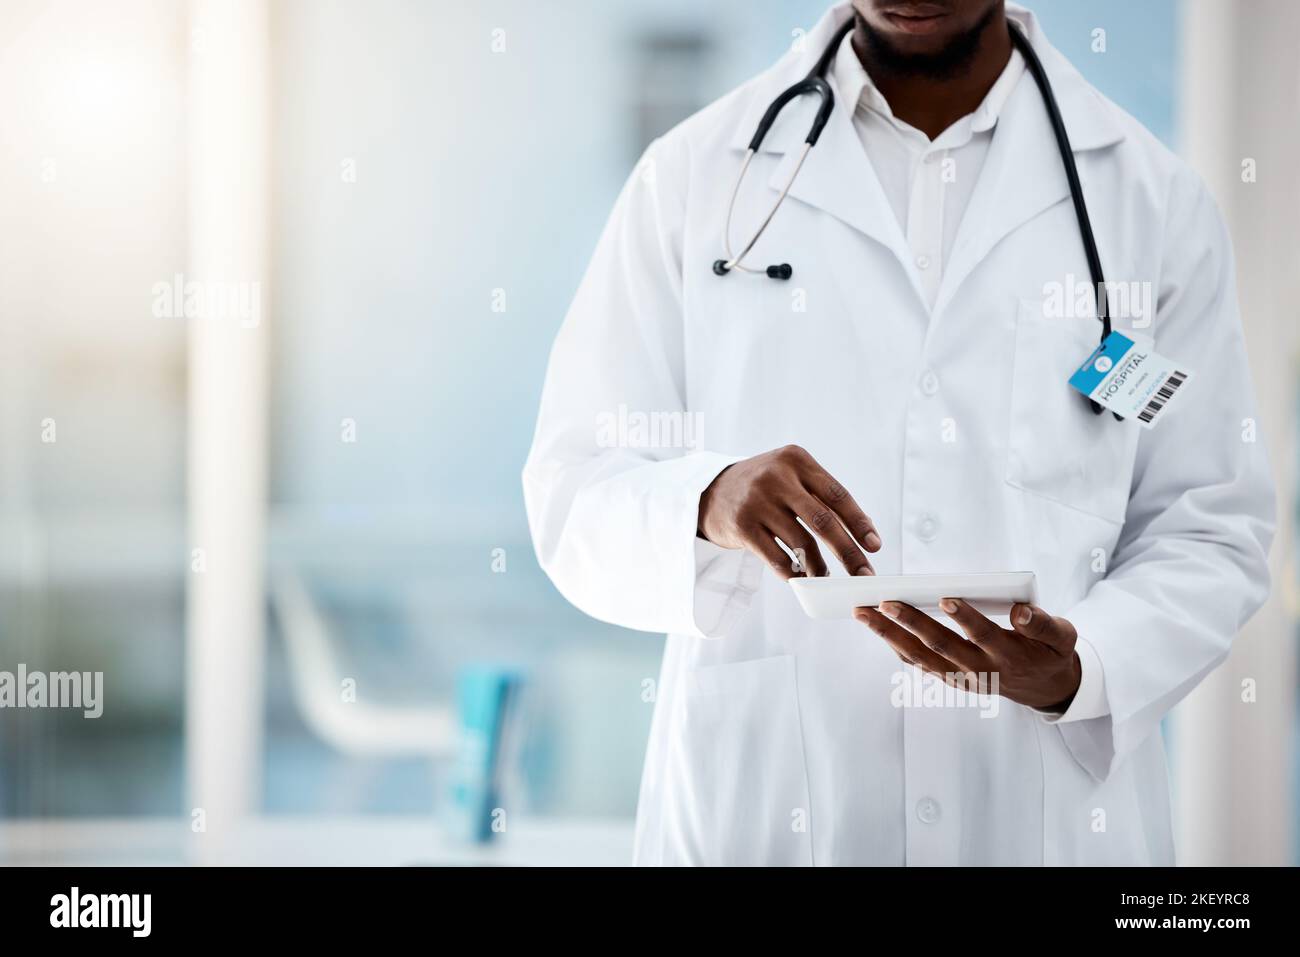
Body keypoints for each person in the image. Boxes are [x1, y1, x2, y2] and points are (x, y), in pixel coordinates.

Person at [522, 1, 1275, 865]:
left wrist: (1087, 667)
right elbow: (572, 489)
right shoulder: (691, 178)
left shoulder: (1152, 200)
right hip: (769, 811)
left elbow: (1212, 522)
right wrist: (704, 497)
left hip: (1042, 819)